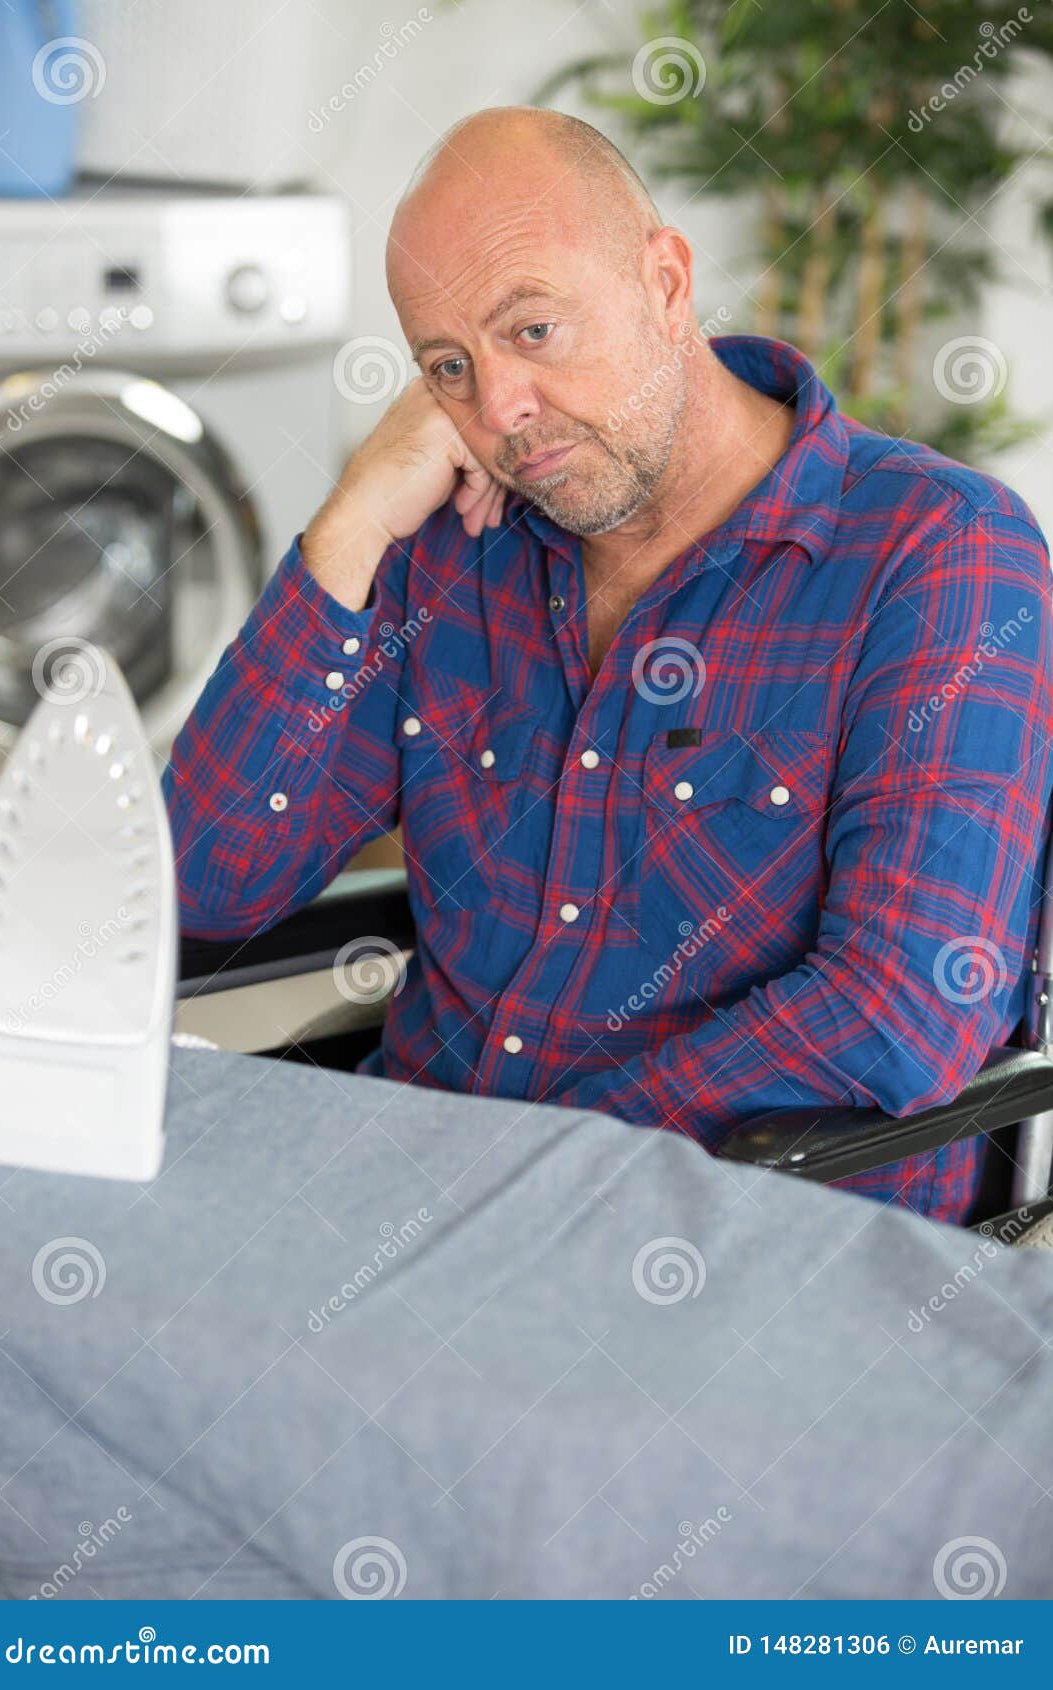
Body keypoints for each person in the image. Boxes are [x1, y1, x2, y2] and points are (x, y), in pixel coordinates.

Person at [162, 107, 1053, 1224]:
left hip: (728, 1251)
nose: (499, 413)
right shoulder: (445, 548)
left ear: (665, 281)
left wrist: (533, 1172)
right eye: (447, 366)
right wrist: (345, 532)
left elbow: (898, 1006)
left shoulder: (937, 550)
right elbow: (203, 880)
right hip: (405, 1224)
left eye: (529, 331)